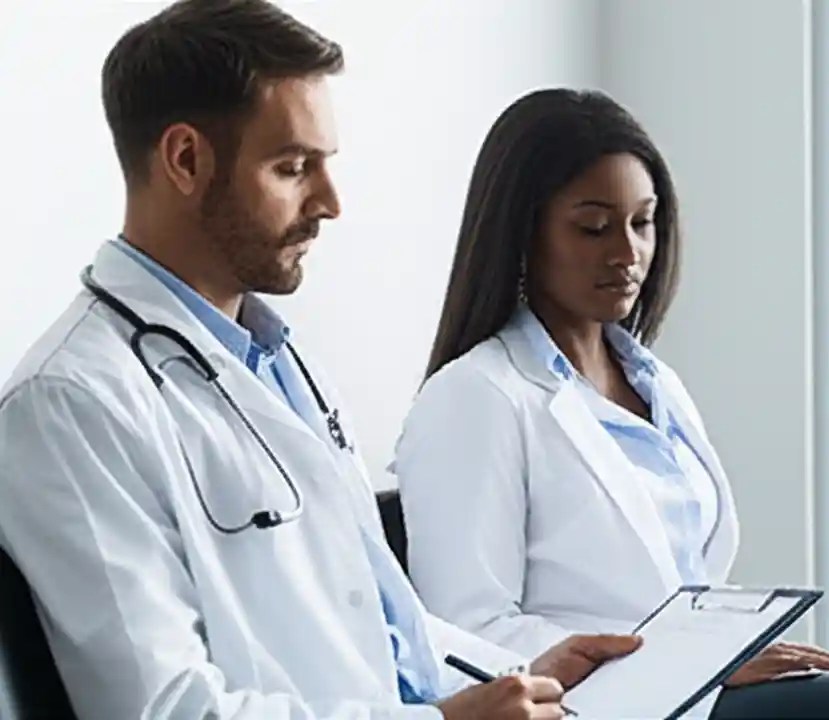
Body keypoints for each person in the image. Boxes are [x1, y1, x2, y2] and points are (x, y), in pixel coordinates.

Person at [0, 3, 640, 719]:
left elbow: (371, 617)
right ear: (185, 159)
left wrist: (523, 671)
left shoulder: (278, 358)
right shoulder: (73, 401)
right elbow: (164, 709)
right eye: (294, 167)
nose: (330, 203)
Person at [393, 88, 829, 719]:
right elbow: (465, 635)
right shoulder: (474, 398)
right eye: (594, 227)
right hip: (605, 706)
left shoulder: (655, 385)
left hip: (697, 691)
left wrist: (754, 652)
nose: (628, 254)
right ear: (522, 235)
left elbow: (687, 590)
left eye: (643, 222)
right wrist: (686, 664)